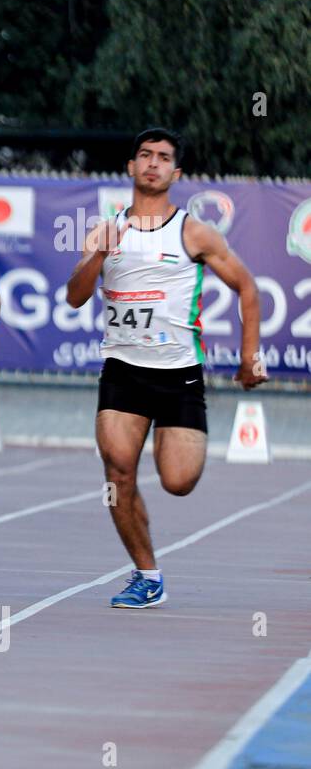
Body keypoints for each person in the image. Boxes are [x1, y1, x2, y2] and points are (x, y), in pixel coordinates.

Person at [66, 127, 267, 608]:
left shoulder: (194, 232)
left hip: (179, 374)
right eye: (144, 155)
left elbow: (248, 288)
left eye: (163, 157)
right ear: (131, 168)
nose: (153, 163)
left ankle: (173, 442)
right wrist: (99, 252)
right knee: (118, 474)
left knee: (178, 481)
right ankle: (147, 574)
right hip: (122, 369)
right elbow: (74, 297)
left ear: (175, 173)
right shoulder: (104, 229)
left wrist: (248, 356)